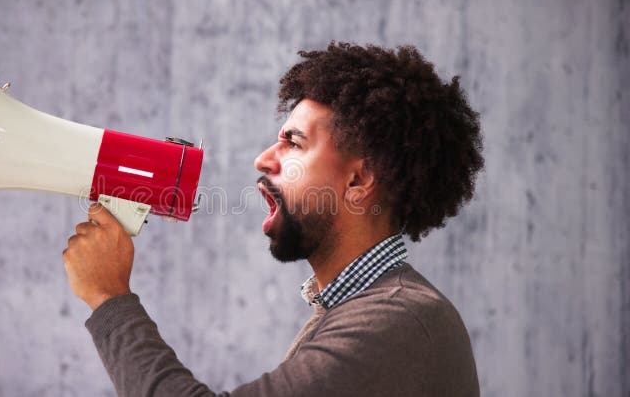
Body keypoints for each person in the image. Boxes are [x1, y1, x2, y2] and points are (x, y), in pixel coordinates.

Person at [62, 42, 484, 396]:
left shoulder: (397, 320)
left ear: (359, 178)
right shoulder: (358, 308)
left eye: (294, 143)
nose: (263, 159)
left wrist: (109, 298)